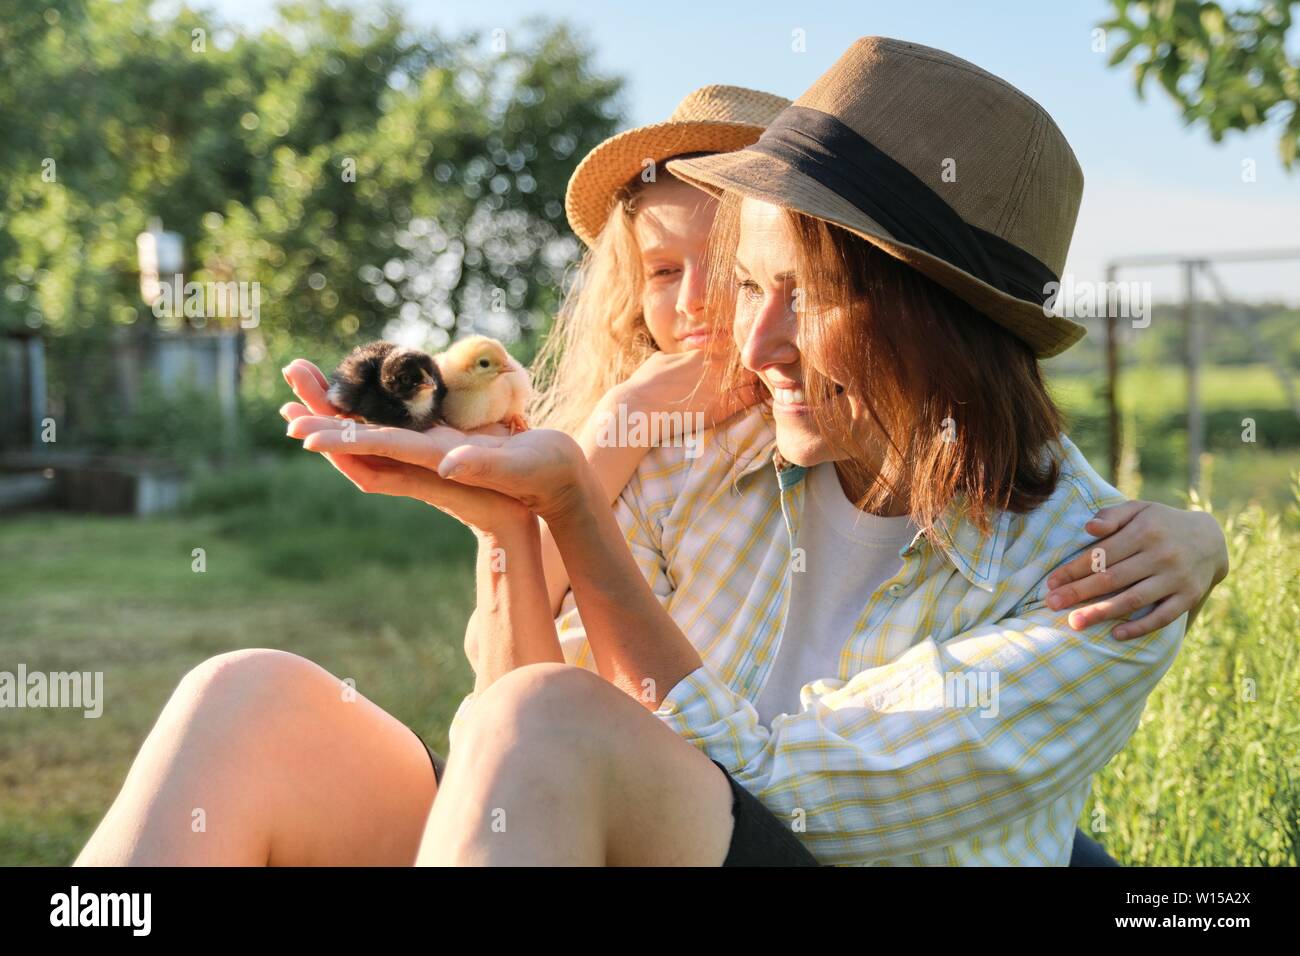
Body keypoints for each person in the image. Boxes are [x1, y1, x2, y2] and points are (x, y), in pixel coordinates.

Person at [75, 57, 1227, 866]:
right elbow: (516, 719)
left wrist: (574, 503)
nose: (743, 337)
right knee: (250, 696)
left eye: (801, 297)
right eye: (746, 285)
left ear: (935, 326)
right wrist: (513, 515)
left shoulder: (1097, 577)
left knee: (550, 723)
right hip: (611, 831)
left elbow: (791, 796)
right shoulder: (702, 439)